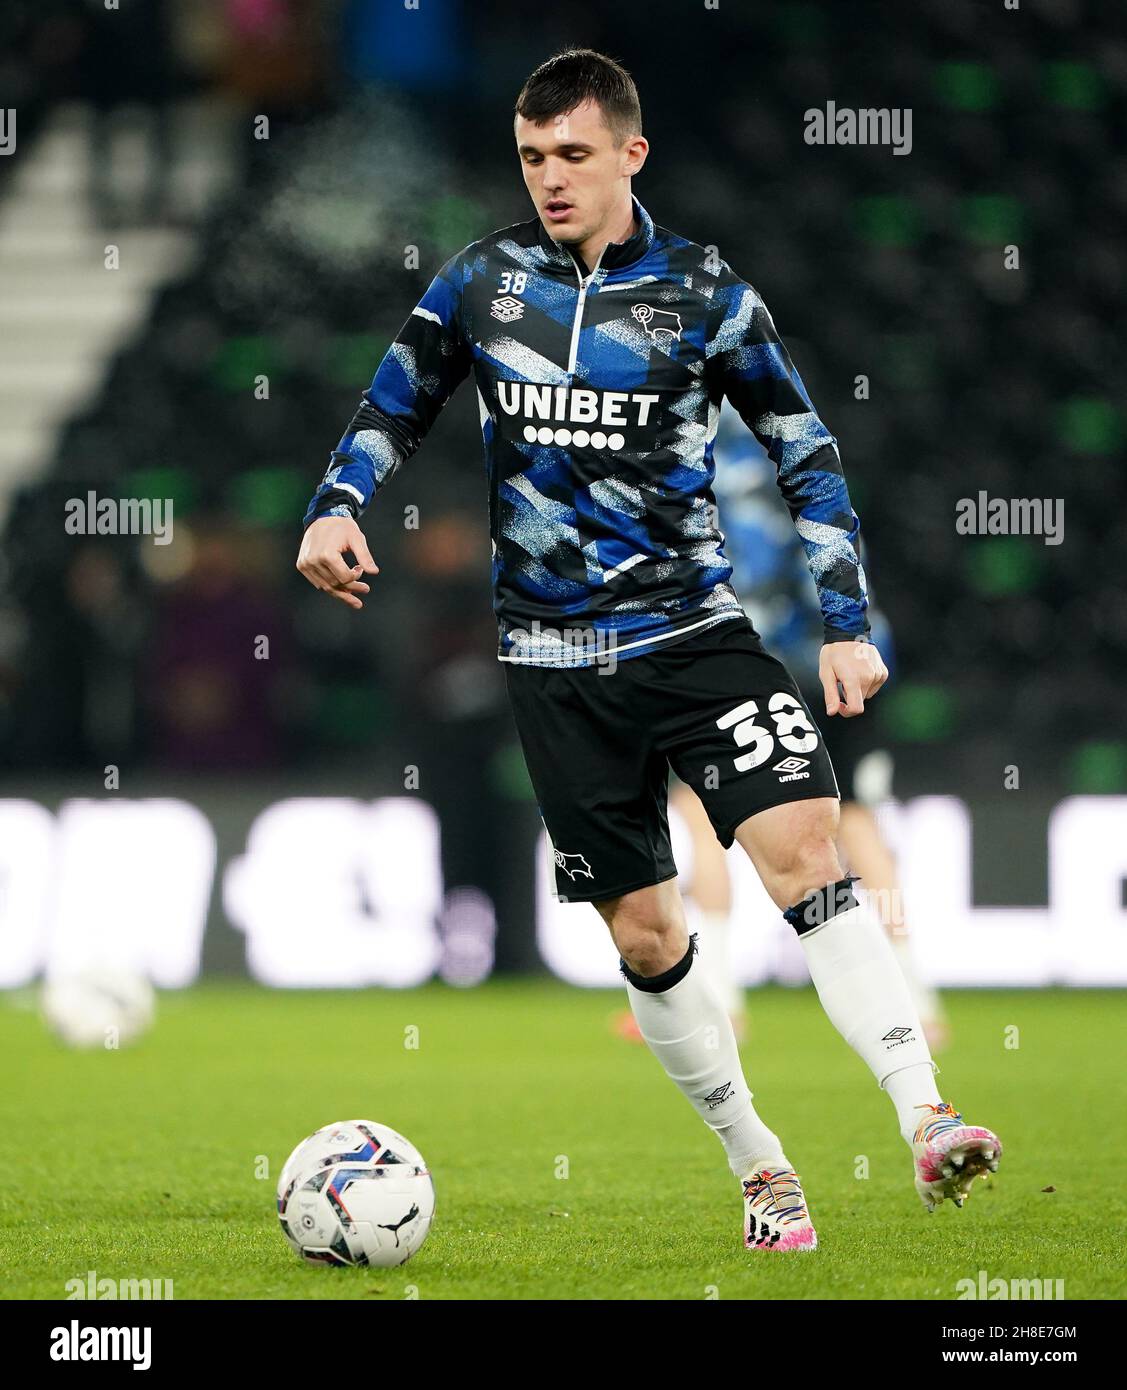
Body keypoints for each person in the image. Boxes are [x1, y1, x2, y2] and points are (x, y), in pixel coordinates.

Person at [297, 49, 1000, 1251]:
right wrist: (334, 501)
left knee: (804, 844)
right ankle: (759, 1162)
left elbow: (803, 448)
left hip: (694, 635)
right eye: (530, 158)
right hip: (551, 664)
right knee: (644, 936)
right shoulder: (481, 283)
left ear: (630, 152)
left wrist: (841, 622)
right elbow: (391, 405)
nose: (550, 179)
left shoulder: (703, 292)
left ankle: (923, 1115)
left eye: (572, 154)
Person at [615, 403, 950, 1049]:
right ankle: (916, 999)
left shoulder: (697, 460)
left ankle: (715, 999)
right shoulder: (806, 450)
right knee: (853, 821)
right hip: (848, 654)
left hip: (760, 661)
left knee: (698, 811)